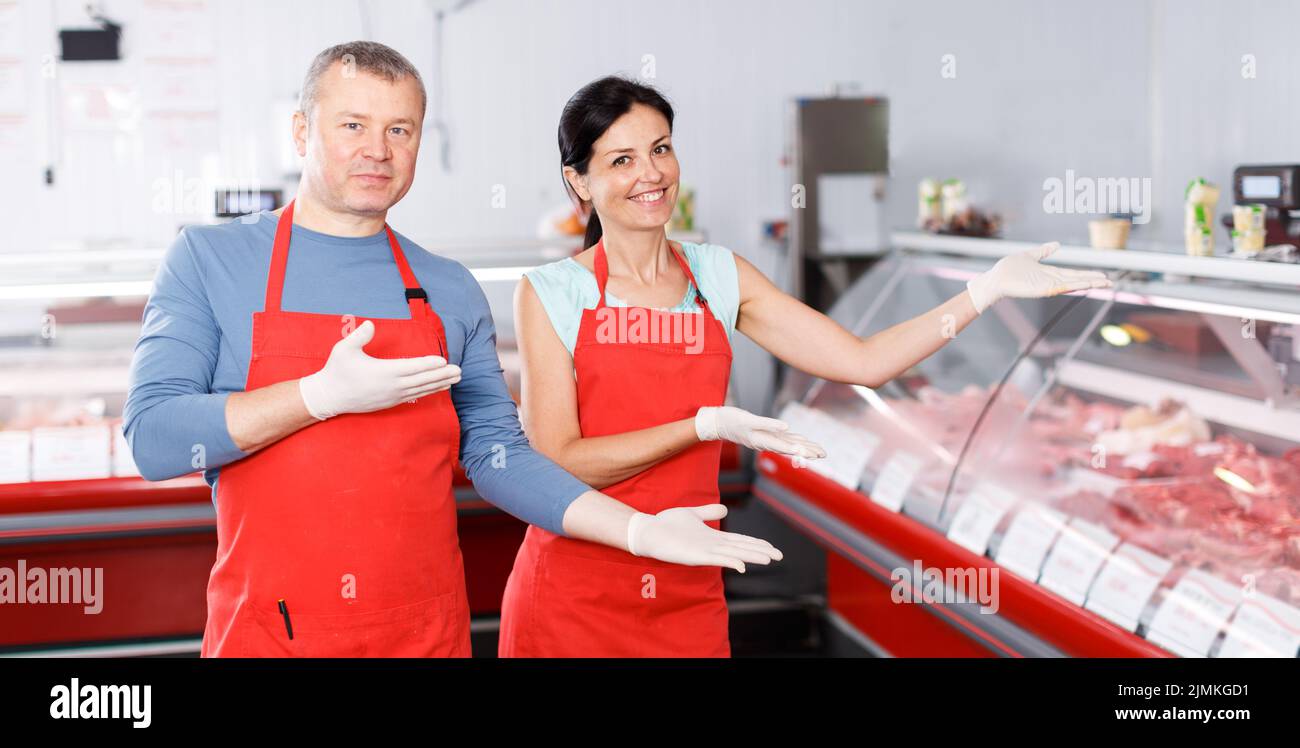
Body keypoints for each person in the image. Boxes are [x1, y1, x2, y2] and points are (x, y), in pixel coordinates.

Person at [123, 44, 783, 658]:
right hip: (272, 633)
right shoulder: (211, 259)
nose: (377, 150)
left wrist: (637, 531)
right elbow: (153, 439)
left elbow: (499, 459)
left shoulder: (446, 288)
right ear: (302, 133)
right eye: (353, 125)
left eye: (400, 130)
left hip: (424, 633)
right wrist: (315, 397)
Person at [498, 76, 1112, 657]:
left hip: (690, 584)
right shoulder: (552, 291)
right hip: (575, 589)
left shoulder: (717, 275)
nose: (652, 172)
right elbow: (557, 462)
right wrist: (701, 426)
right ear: (578, 182)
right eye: (621, 160)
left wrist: (985, 291)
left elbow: (863, 361)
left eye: (660, 148)